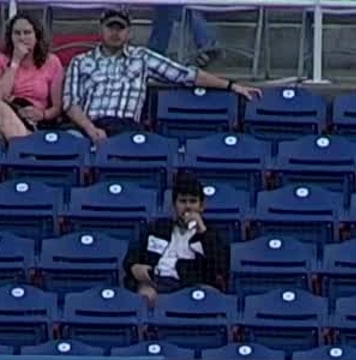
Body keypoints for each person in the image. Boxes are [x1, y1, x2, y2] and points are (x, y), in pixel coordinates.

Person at [62, 8, 260, 143]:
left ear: (129, 32)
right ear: (101, 29)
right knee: (66, 141)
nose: (115, 33)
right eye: (110, 27)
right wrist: (90, 129)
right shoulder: (80, 62)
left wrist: (231, 85)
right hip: (88, 126)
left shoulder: (142, 57)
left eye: (120, 28)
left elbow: (186, 75)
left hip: (126, 127)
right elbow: (71, 104)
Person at [123, 172, 230, 301]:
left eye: (193, 201)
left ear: (201, 206)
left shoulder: (211, 234)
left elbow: (222, 267)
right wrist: (134, 267)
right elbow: (132, 257)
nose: (188, 207)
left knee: (208, 295)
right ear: (174, 205)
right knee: (145, 295)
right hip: (157, 282)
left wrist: (203, 232)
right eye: (182, 201)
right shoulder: (157, 228)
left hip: (191, 285)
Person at [0, 14, 65, 140]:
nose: (22, 38)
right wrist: (15, 62)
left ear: (37, 36)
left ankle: (21, 150)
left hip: (31, 121)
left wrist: (43, 114)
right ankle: (27, 149)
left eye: (27, 33)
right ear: (10, 37)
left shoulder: (52, 62)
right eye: (17, 33)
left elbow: (57, 107)